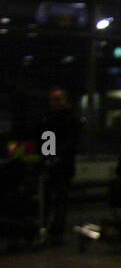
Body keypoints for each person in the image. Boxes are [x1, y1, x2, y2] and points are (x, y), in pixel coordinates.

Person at [39, 86, 79, 243]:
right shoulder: (49, 118)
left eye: (58, 99)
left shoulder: (68, 119)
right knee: (49, 198)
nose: (55, 103)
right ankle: (47, 226)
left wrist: (55, 155)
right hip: (54, 162)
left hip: (63, 165)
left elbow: (70, 142)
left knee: (60, 198)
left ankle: (56, 229)